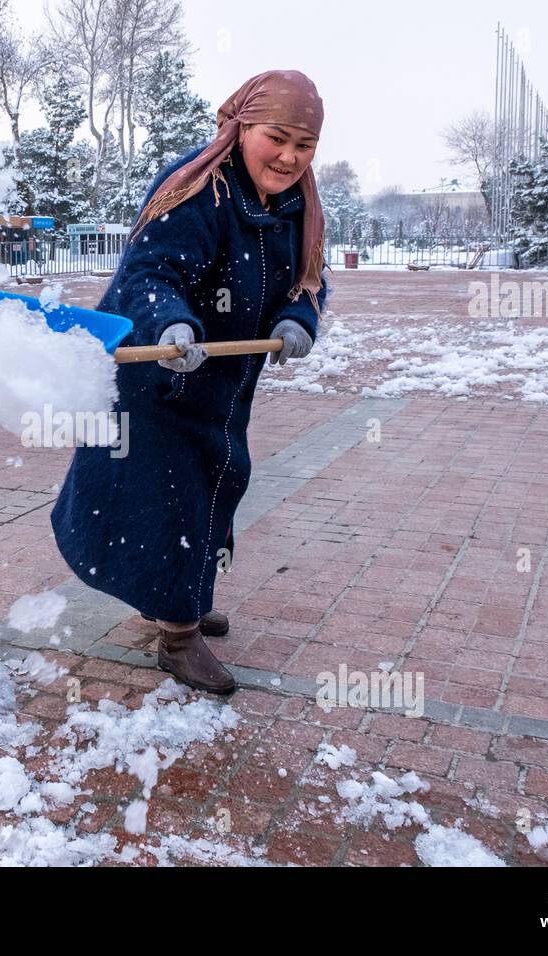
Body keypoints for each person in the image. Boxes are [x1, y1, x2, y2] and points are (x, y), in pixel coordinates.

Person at [50, 70, 330, 695]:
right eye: (276, 138)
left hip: (223, 387)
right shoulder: (198, 187)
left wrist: (297, 317)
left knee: (218, 484)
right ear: (241, 128)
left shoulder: (296, 206)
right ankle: (177, 633)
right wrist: (172, 322)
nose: (289, 157)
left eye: (304, 145)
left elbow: (308, 279)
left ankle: (185, 595)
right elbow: (150, 272)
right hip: (156, 378)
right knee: (168, 500)